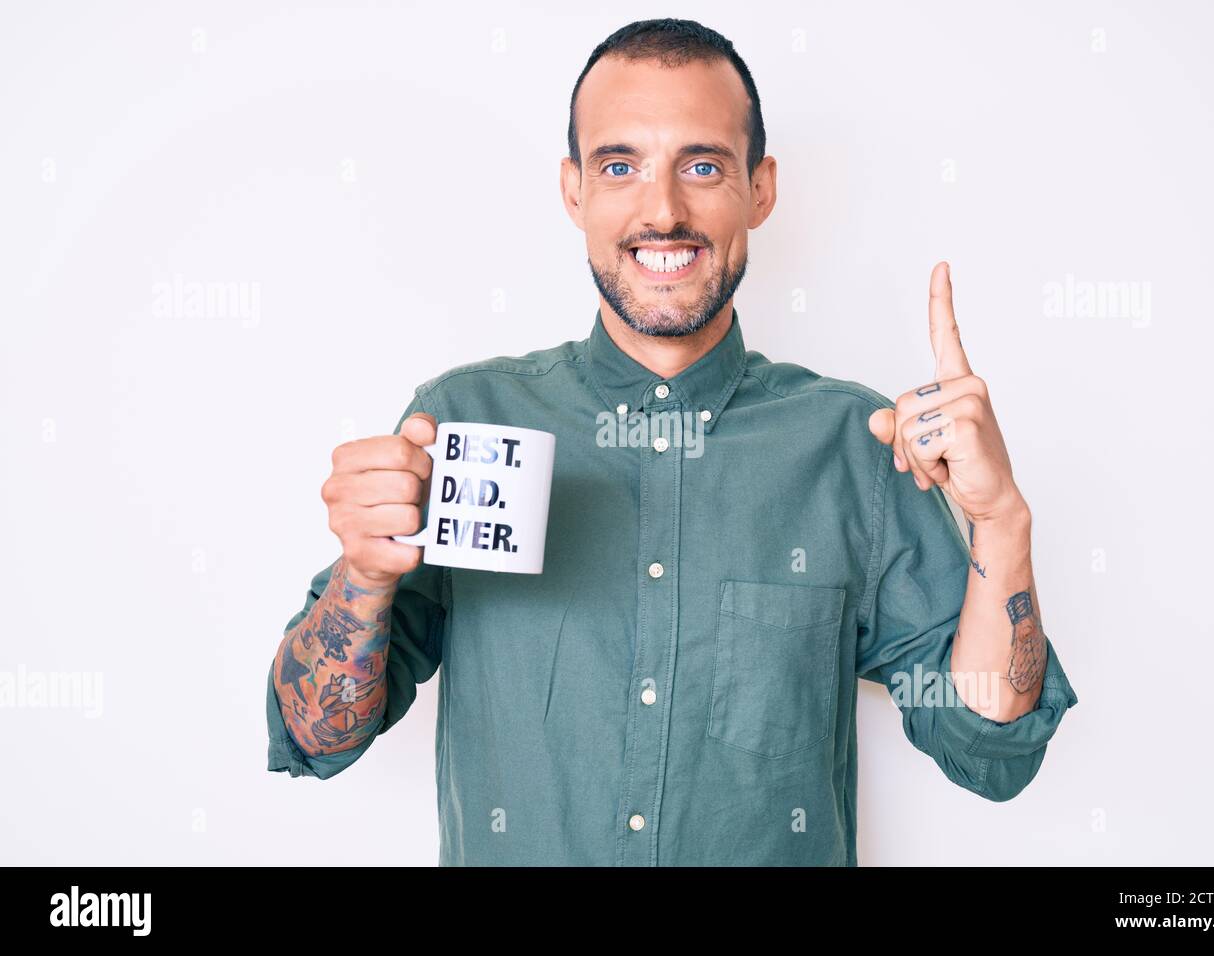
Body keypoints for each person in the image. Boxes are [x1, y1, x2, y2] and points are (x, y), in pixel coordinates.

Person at [265, 17, 1079, 866]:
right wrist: (363, 578)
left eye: (702, 166)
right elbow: (314, 735)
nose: (662, 211)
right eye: (620, 167)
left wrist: (1003, 523)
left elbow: (992, 750)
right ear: (574, 191)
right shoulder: (461, 423)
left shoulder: (857, 447)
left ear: (760, 189)